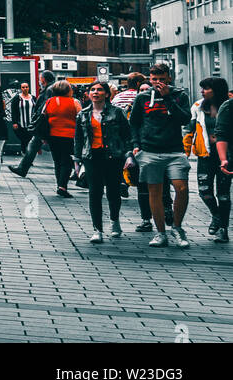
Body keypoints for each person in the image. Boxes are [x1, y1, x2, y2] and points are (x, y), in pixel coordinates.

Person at [129, 63, 192, 248]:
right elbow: (134, 123)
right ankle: (161, 232)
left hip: (174, 150)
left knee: (181, 189)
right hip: (149, 150)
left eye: (162, 79)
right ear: (149, 78)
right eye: (154, 79)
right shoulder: (142, 98)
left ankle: (177, 227)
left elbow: (184, 118)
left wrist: (167, 99)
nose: (158, 83)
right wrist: (135, 146)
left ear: (169, 78)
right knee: (154, 192)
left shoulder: (179, 95)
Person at [74, 79, 130, 242]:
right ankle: (97, 229)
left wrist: (129, 154)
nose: (96, 92)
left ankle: (114, 221)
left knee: (113, 191)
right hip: (92, 157)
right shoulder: (83, 114)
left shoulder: (117, 112)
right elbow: (78, 138)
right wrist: (77, 159)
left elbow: (126, 134)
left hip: (113, 156)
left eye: (99, 90)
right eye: (93, 90)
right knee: (94, 193)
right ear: (89, 94)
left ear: (106, 94)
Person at [187, 77, 230, 239]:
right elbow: (189, 130)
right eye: (202, 88)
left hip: (227, 156)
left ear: (217, 90)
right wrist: (185, 153)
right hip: (205, 155)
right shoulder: (198, 106)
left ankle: (223, 229)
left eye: (206, 88)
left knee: (224, 194)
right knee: (204, 191)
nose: (202, 91)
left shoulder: (229, 106)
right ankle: (216, 215)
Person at [8, 71, 57, 178]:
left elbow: (44, 108)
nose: (39, 81)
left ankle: (72, 172)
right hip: (47, 124)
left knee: (41, 147)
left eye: (40, 79)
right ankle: (22, 169)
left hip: (45, 125)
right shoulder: (53, 88)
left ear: (43, 79)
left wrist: (40, 125)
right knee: (34, 146)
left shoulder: (49, 90)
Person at [40, 80, 79, 197]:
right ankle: (62, 186)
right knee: (67, 161)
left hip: (52, 135)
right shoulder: (75, 102)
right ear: (67, 90)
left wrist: (43, 136)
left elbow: (43, 118)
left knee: (57, 161)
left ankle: (59, 184)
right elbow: (81, 118)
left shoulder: (49, 101)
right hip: (69, 136)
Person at [213, 93, 233, 243]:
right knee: (223, 193)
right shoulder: (229, 106)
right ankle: (222, 227)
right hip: (230, 157)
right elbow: (222, 134)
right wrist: (223, 159)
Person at [10, 82, 36, 154]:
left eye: (26, 87)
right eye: (23, 87)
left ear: (29, 88)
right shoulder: (17, 98)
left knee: (30, 140)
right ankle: (25, 154)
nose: (25, 89)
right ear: (20, 88)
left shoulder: (33, 98)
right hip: (21, 124)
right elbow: (14, 110)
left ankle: (28, 156)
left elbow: (36, 110)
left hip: (31, 124)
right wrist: (14, 122)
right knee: (24, 140)